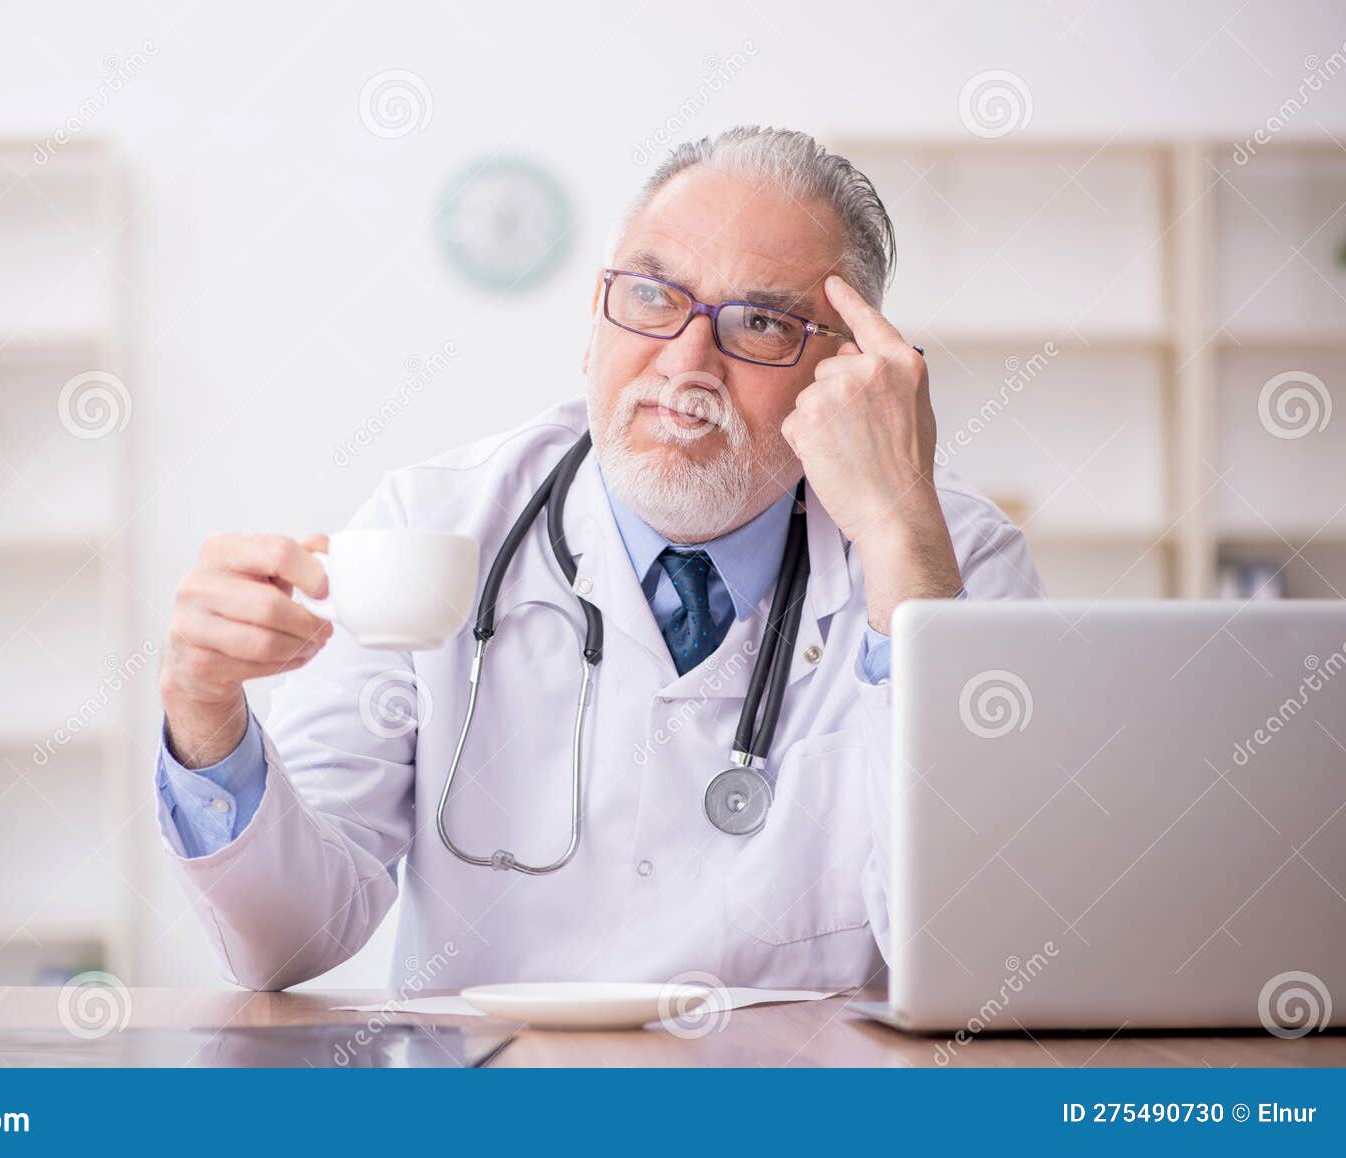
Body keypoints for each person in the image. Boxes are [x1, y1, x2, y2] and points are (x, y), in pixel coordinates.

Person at [154, 126, 1043, 991]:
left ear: (849, 368)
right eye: (653, 298)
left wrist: (901, 550)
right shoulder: (432, 522)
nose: (685, 363)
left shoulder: (945, 553)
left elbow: (971, 958)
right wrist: (206, 716)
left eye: (762, 321)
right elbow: (285, 943)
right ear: (595, 316)